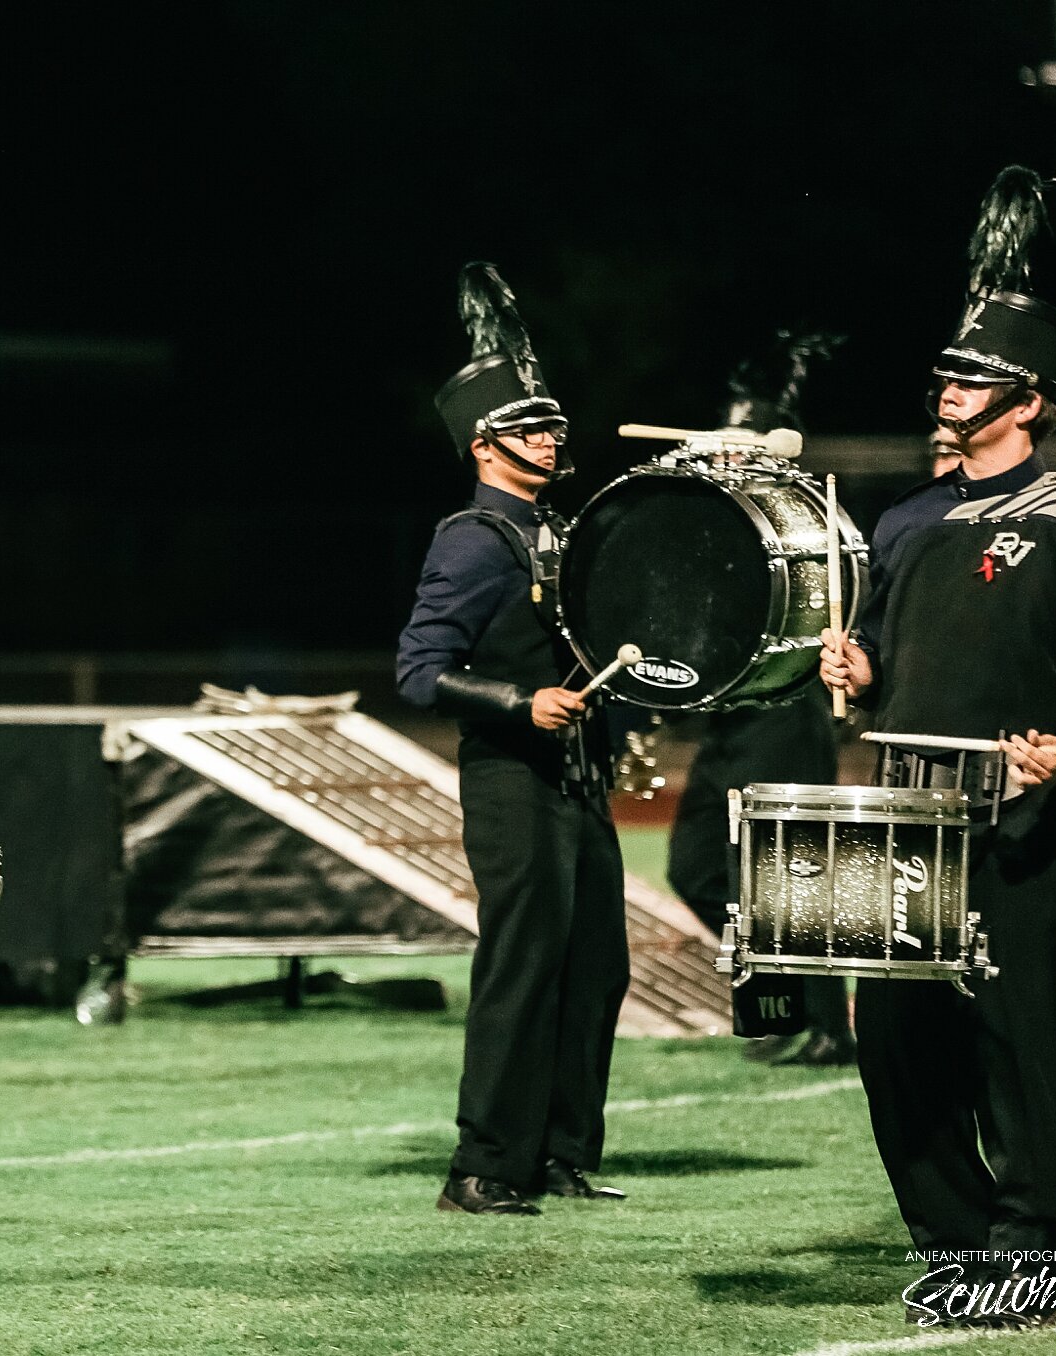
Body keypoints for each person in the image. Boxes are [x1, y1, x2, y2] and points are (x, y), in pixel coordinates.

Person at [821, 167, 1056, 1326]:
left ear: (1027, 400)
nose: (946, 387)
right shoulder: (902, 521)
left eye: (970, 375)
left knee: (1022, 1060)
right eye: (947, 373)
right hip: (901, 822)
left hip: (1022, 827)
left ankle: (1039, 1257)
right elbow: (882, 658)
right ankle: (957, 1249)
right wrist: (854, 672)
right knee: (897, 1057)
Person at [396, 263, 629, 1217]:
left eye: (552, 425)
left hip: (576, 779)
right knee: (522, 968)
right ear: (484, 445)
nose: (550, 438)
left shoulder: (557, 529)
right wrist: (516, 700)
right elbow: (418, 670)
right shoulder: (473, 537)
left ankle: (560, 1152)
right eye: (530, 428)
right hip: (511, 779)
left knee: (596, 968)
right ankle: (483, 1165)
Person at [665, 333, 855, 1066]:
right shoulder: (714, 517)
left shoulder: (797, 519)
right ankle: (785, 998)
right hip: (731, 720)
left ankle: (828, 1026)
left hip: (786, 715)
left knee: (791, 874)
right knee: (696, 869)